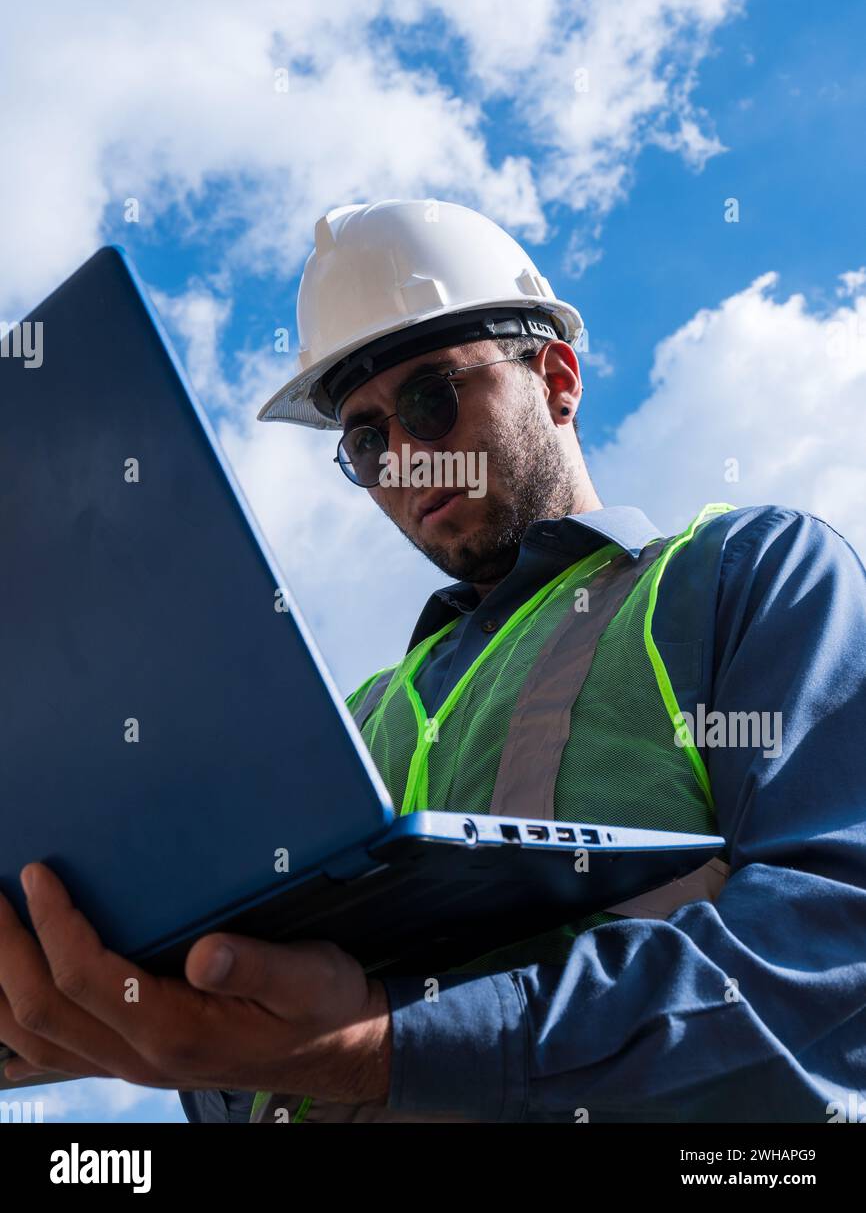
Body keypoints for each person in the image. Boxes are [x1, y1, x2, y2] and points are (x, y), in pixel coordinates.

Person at [2, 201, 863, 1124]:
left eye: (430, 401)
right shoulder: (355, 722)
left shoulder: (740, 576)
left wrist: (389, 1044)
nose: (405, 460)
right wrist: (129, 1014)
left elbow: (831, 965)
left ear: (559, 379)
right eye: (367, 442)